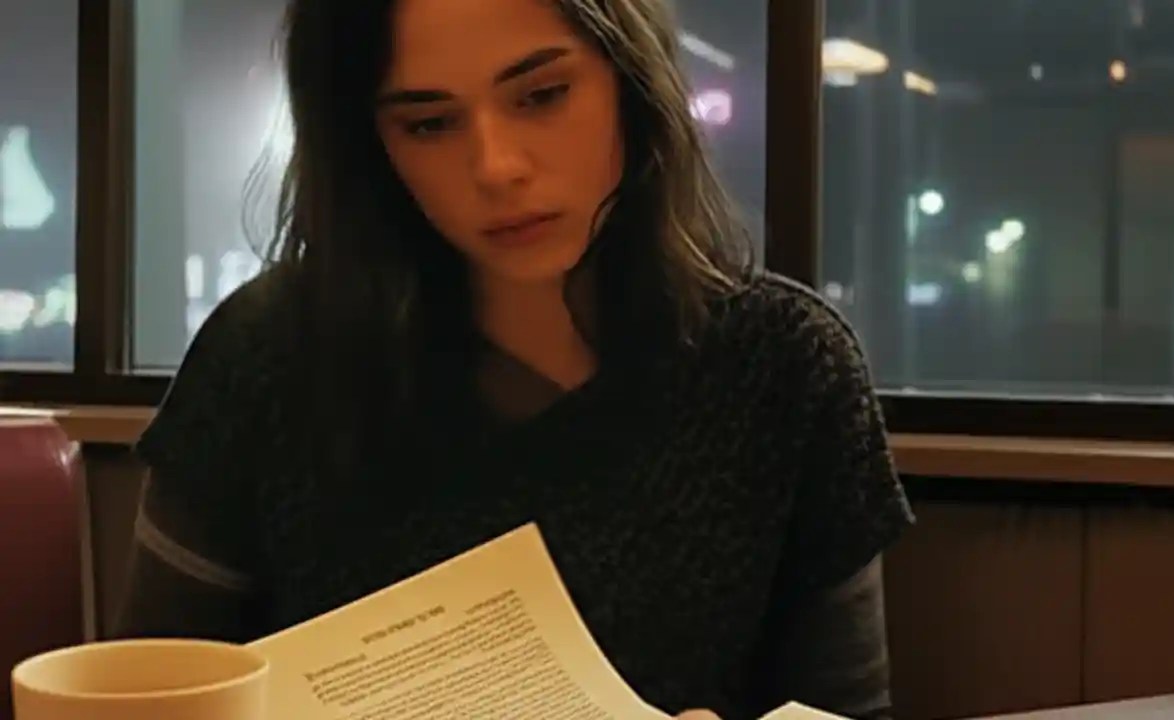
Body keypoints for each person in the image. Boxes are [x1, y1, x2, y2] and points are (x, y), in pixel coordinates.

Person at [114, 0, 915, 718]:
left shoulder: (785, 366)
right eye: (430, 124)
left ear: (633, 82)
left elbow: (844, 707)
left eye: (542, 96)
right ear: (369, 143)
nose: (496, 166)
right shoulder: (266, 356)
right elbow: (134, 702)